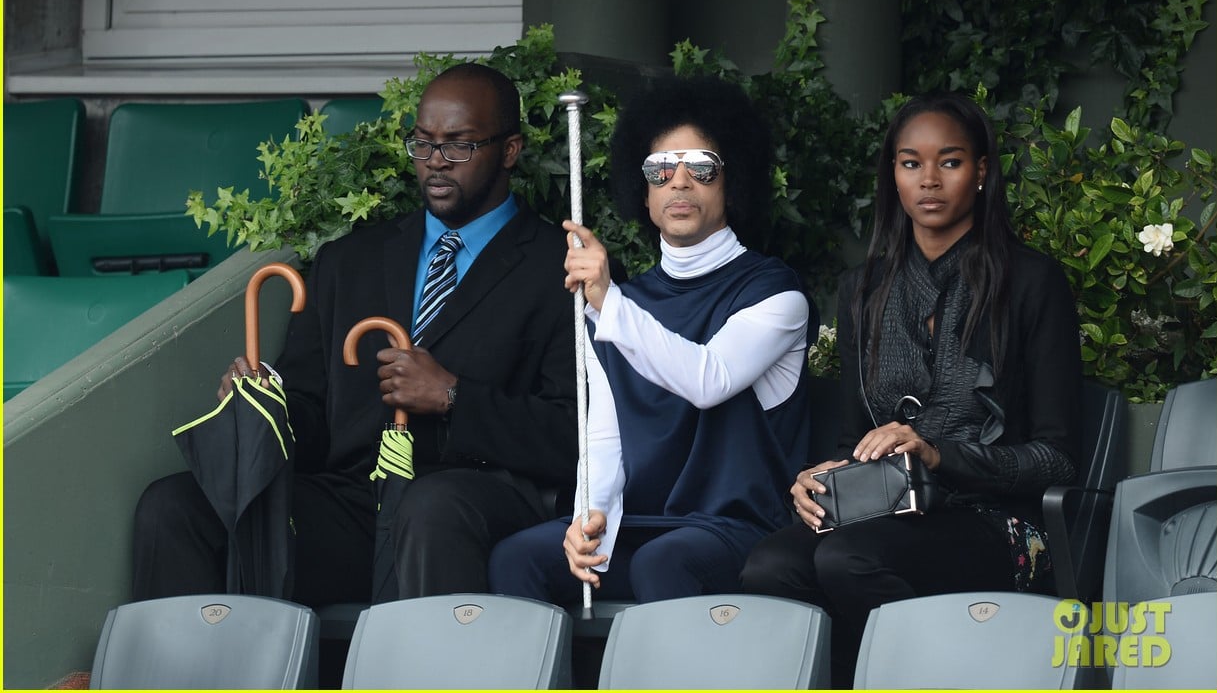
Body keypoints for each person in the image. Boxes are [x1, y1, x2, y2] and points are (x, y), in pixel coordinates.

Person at [131, 63, 578, 607]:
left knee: (430, 505)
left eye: (458, 146)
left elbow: (572, 436)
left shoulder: (563, 270)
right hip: (352, 504)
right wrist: (264, 404)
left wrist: (453, 397)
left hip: (472, 499)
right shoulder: (350, 261)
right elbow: (311, 409)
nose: (435, 162)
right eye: (423, 143)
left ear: (509, 150)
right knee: (173, 506)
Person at [739, 92, 1082, 687]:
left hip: (998, 520)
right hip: (889, 507)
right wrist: (820, 481)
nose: (929, 180)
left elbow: (1056, 457)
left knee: (849, 560)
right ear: (891, 175)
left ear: (980, 172)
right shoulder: (862, 290)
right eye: (909, 163)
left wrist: (936, 452)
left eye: (949, 162)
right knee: (770, 566)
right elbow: (856, 436)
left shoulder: (1032, 282)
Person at [488, 76, 812, 605]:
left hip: (735, 528)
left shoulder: (774, 293)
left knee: (666, 561)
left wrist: (609, 304)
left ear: (733, 181)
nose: (679, 183)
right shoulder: (615, 306)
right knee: (519, 559)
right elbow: (605, 434)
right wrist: (585, 517)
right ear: (643, 189)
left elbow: (709, 379)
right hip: (640, 523)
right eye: (660, 169)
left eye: (701, 166)